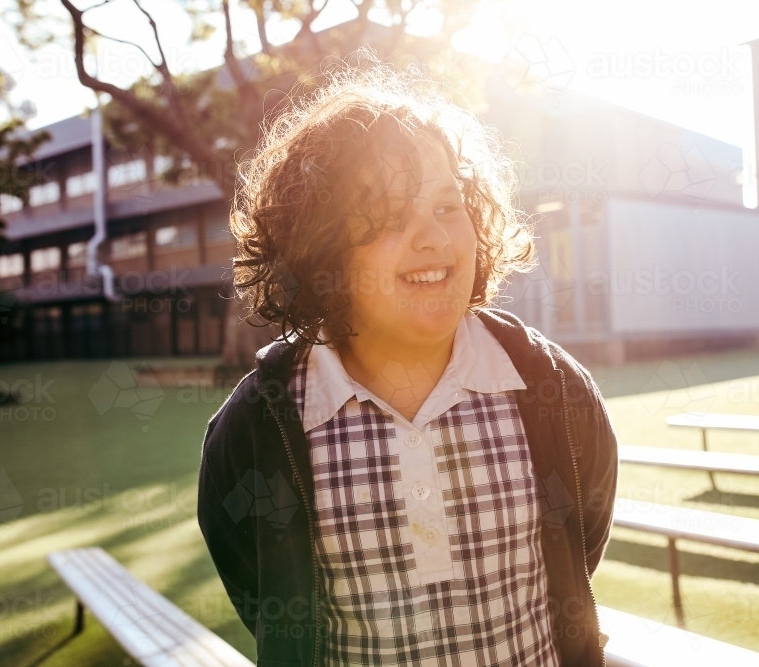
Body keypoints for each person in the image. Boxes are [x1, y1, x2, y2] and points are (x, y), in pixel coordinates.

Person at [197, 60, 618, 667]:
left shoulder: (551, 387)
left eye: (448, 206)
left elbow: (582, 535)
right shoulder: (261, 427)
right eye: (390, 215)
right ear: (322, 244)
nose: (432, 237)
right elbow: (256, 582)